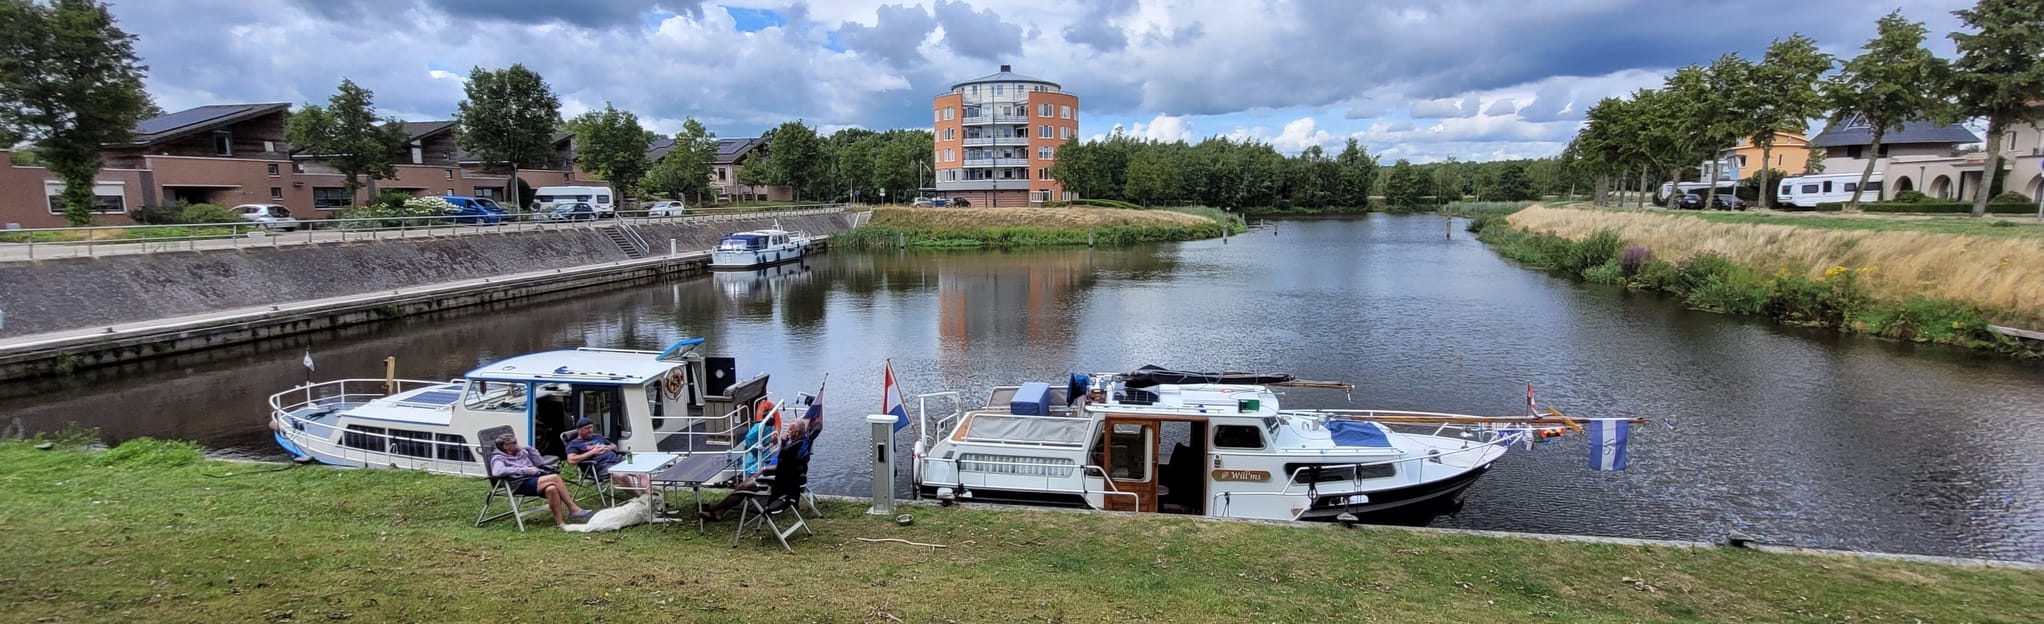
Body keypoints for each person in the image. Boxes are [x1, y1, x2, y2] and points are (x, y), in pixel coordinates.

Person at [702, 419, 808, 521]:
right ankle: (719, 512)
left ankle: (714, 507)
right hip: (780, 476)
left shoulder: (796, 447)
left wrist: (763, 469)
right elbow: (785, 461)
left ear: (797, 432)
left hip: (776, 480)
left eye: (790, 430)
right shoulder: (798, 443)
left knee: (743, 488)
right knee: (743, 487)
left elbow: (785, 467)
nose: (787, 432)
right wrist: (784, 444)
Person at [489, 433, 591, 530]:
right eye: (514, 442)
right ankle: (573, 508)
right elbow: (497, 471)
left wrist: (530, 449)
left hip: (533, 480)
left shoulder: (521, 452)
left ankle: (560, 523)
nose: (517, 444)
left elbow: (540, 463)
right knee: (555, 478)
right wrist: (526, 470)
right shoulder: (498, 458)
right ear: (506, 446)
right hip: (519, 483)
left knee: (552, 489)